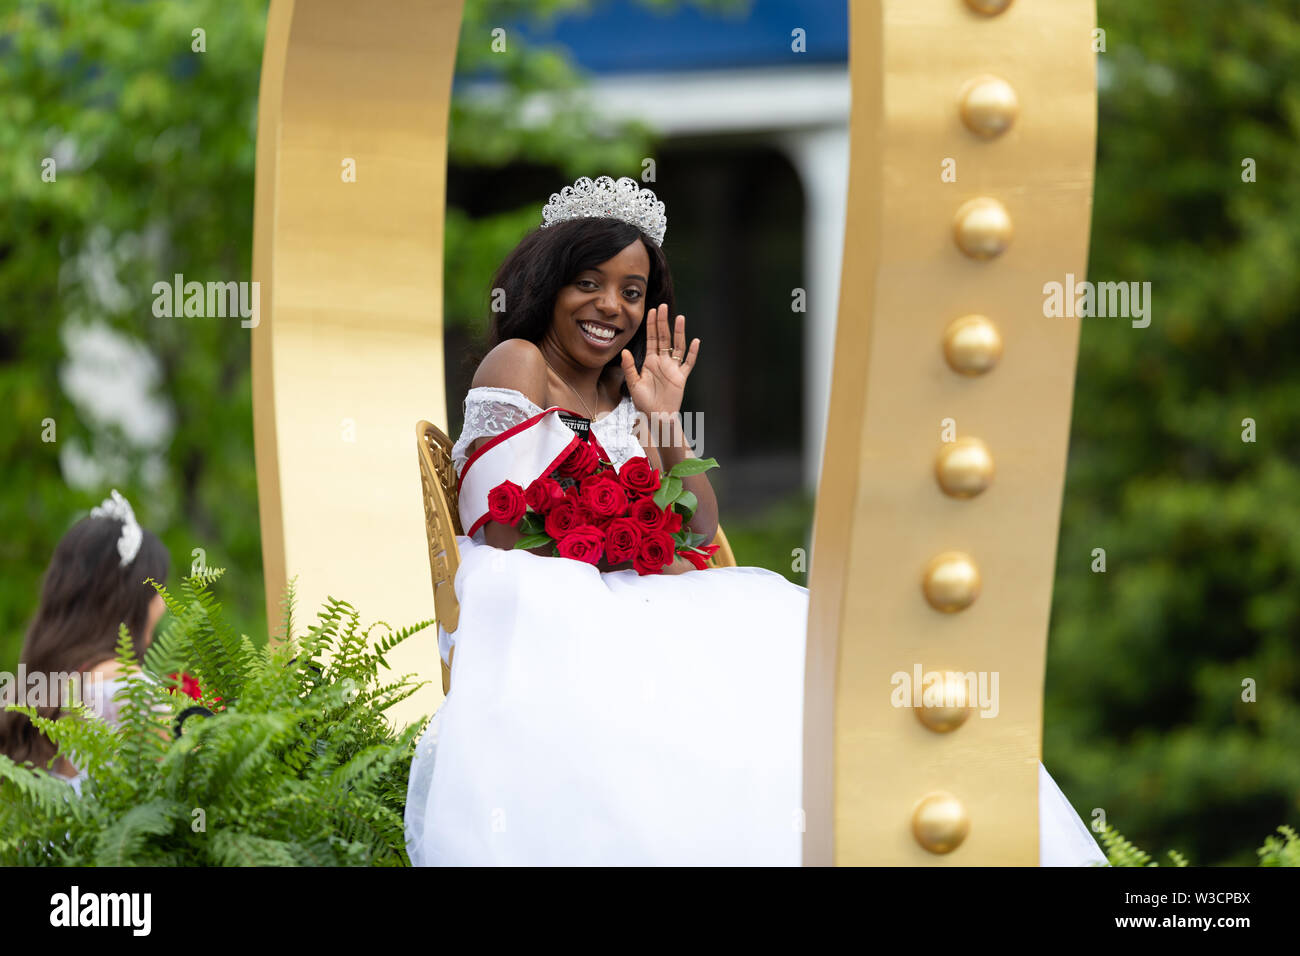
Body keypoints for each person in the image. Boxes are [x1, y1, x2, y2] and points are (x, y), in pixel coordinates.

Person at [404, 175, 1105, 866]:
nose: (609, 306)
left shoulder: (629, 393)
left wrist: (664, 422)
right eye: (589, 282)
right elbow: (502, 525)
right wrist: (622, 545)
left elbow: (701, 533)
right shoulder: (520, 362)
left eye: (632, 291)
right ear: (547, 283)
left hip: (630, 589)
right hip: (535, 594)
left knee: (793, 661)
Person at [0, 490, 170, 790]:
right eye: (159, 591)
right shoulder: (129, 691)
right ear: (132, 598)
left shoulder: (33, 690)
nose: (163, 605)